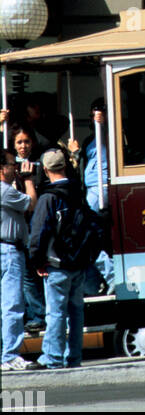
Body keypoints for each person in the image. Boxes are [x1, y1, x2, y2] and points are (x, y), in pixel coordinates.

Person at [28, 148, 88, 370]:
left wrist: (37, 261)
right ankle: (74, 357)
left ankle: (52, 357)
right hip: (78, 263)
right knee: (76, 312)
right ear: (64, 165)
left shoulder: (48, 198)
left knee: (56, 313)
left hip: (56, 264)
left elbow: (38, 234)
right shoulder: (77, 192)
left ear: (45, 169)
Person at [68, 98, 114, 296]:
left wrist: (103, 124)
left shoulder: (112, 134)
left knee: (83, 233)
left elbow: (112, 147)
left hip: (101, 186)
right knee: (85, 236)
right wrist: (76, 153)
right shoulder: (89, 140)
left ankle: (110, 276)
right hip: (90, 188)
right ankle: (99, 280)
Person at [1, 147, 39, 371]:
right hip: (9, 251)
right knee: (12, 305)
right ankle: (9, 355)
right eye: (11, 164)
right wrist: (29, 180)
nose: (15, 168)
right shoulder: (5, 191)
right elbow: (31, 203)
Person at [10, 125, 47, 330]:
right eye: (19, 142)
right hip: (18, 223)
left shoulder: (38, 165)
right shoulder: (9, 166)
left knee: (36, 269)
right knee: (25, 274)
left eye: (26, 142)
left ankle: (40, 312)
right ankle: (34, 313)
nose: (23, 146)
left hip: (34, 221)